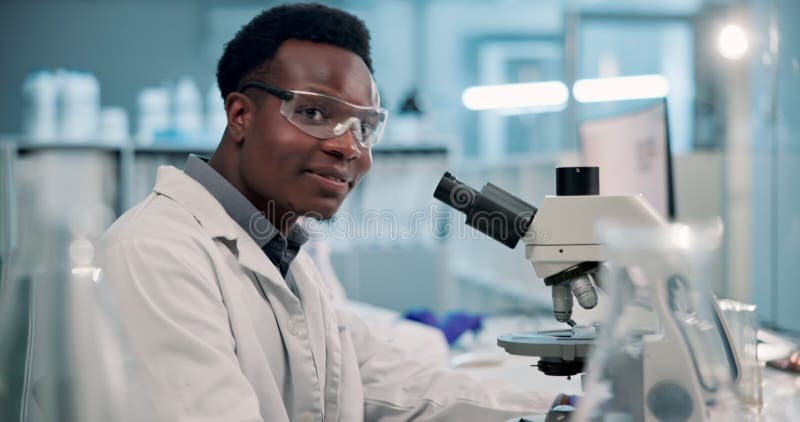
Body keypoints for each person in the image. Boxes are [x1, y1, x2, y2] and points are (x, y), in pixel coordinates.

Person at [98, 3, 555, 421]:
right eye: (314, 112)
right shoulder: (155, 255)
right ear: (241, 115)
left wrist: (558, 411)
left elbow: (391, 383)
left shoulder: (282, 254)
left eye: (365, 127)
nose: (348, 145)